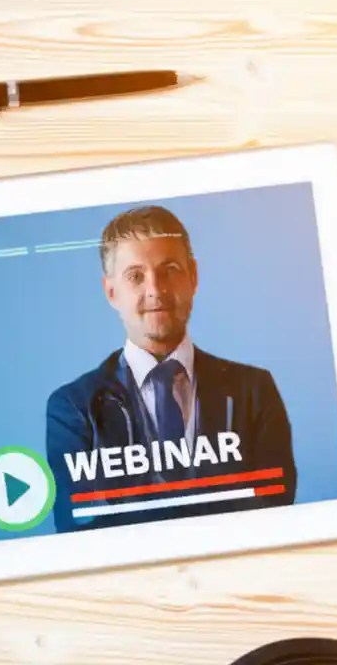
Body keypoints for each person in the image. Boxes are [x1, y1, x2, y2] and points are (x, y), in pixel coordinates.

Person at [45, 205, 297, 533]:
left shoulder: (254, 391)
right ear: (111, 292)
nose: (155, 289)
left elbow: (274, 506)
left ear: (193, 276)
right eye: (135, 276)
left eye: (170, 269)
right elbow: (80, 523)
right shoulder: (73, 408)